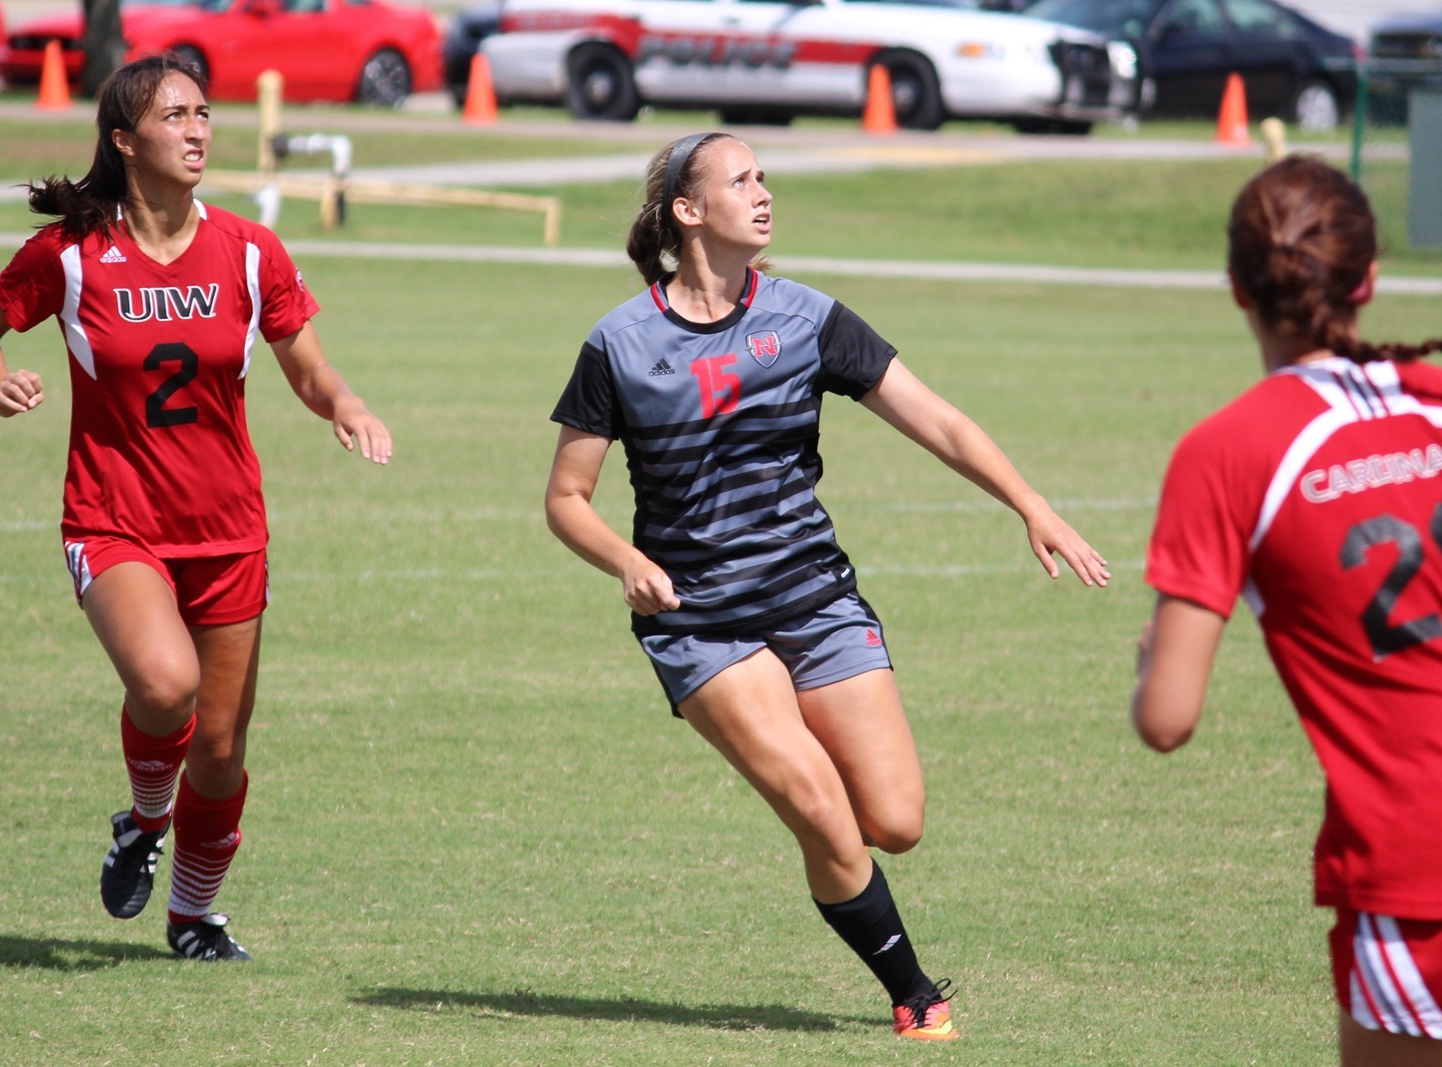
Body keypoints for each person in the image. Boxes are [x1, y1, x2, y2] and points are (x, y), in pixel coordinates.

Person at [544, 131, 1111, 1040]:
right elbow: (567, 499)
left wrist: (1029, 502)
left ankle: (858, 876)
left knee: (895, 819)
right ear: (688, 213)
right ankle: (914, 991)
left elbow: (936, 418)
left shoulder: (809, 318)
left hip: (814, 596)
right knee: (818, 806)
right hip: (703, 620)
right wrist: (626, 558)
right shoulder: (620, 342)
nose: (763, 192)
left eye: (764, 176)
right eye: (740, 180)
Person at [0, 54, 392, 962]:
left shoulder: (247, 248)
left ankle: (193, 915)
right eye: (175, 116)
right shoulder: (72, 255)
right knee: (163, 683)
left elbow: (305, 364)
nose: (198, 130)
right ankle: (144, 819)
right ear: (125, 140)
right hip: (113, 520)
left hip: (229, 530)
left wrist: (344, 401)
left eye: (204, 113)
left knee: (222, 750)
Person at [1132, 155, 1442, 1065]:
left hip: (1415, 866)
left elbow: (1166, 718)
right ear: (1370, 277)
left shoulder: (1228, 451)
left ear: (1236, 288)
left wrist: (1154, 655)